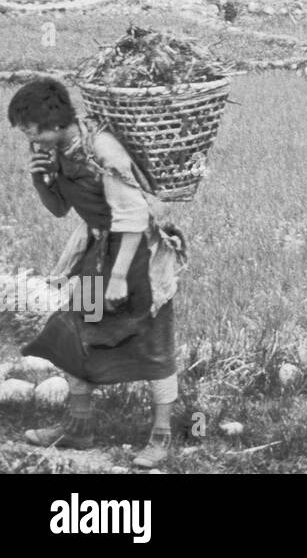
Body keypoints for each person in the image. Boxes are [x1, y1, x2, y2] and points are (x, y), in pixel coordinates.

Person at [8, 77, 185, 469]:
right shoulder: (60, 151)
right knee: (80, 331)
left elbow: (134, 216)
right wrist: (40, 177)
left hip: (136, 259)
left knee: (152, 345)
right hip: (96, 255)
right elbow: (59, 208)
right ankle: (79, 427)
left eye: (29, 128)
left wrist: (119, 278)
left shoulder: (102, 149)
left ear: (53, 122)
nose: (26, 136)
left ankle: (161, 436)